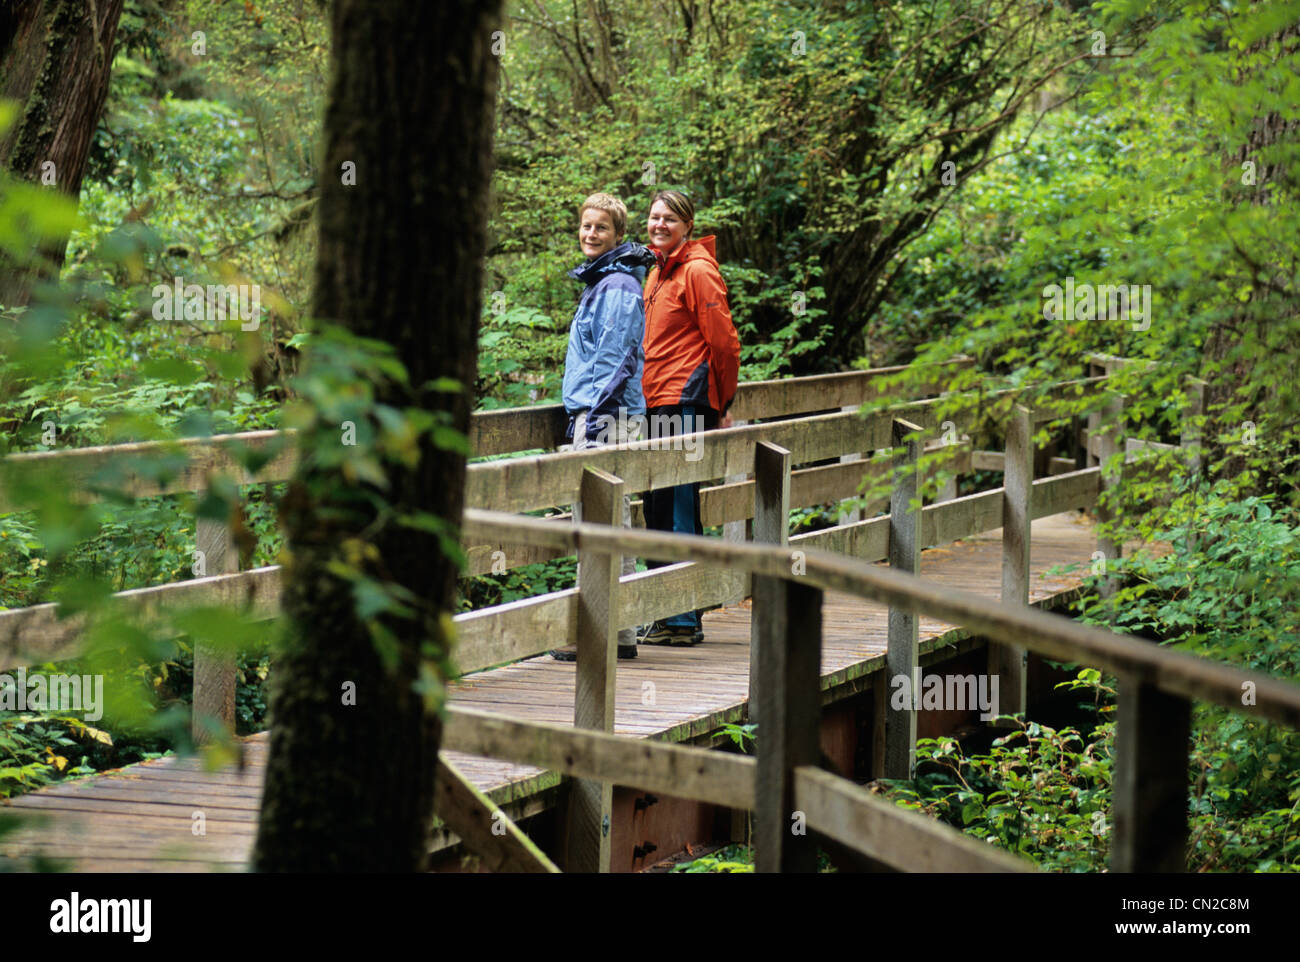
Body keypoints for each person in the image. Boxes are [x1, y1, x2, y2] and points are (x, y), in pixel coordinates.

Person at [551, 192, 654, 662]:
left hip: (605, 417)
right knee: (613, 519)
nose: (590, 234)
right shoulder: (610, 281)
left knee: (594, 523)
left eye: (601, 228)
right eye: (586, 226)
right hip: (609, 414)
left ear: (617, 234)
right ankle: (621, 631)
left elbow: (615, 360)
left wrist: (591, 422)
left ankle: (597, 632)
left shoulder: (616, 287)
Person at [639, 189, 740, 646]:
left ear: (687, 226)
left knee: (678, 506)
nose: (659, 224)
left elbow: (725, 344)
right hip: (657, 402)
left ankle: (682, 618)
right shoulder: (657, 272)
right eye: (654, 217)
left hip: (685, 401)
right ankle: (668, 613)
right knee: (658, 506)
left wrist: (722, 404)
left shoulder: (697, 271)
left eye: (669, 219)